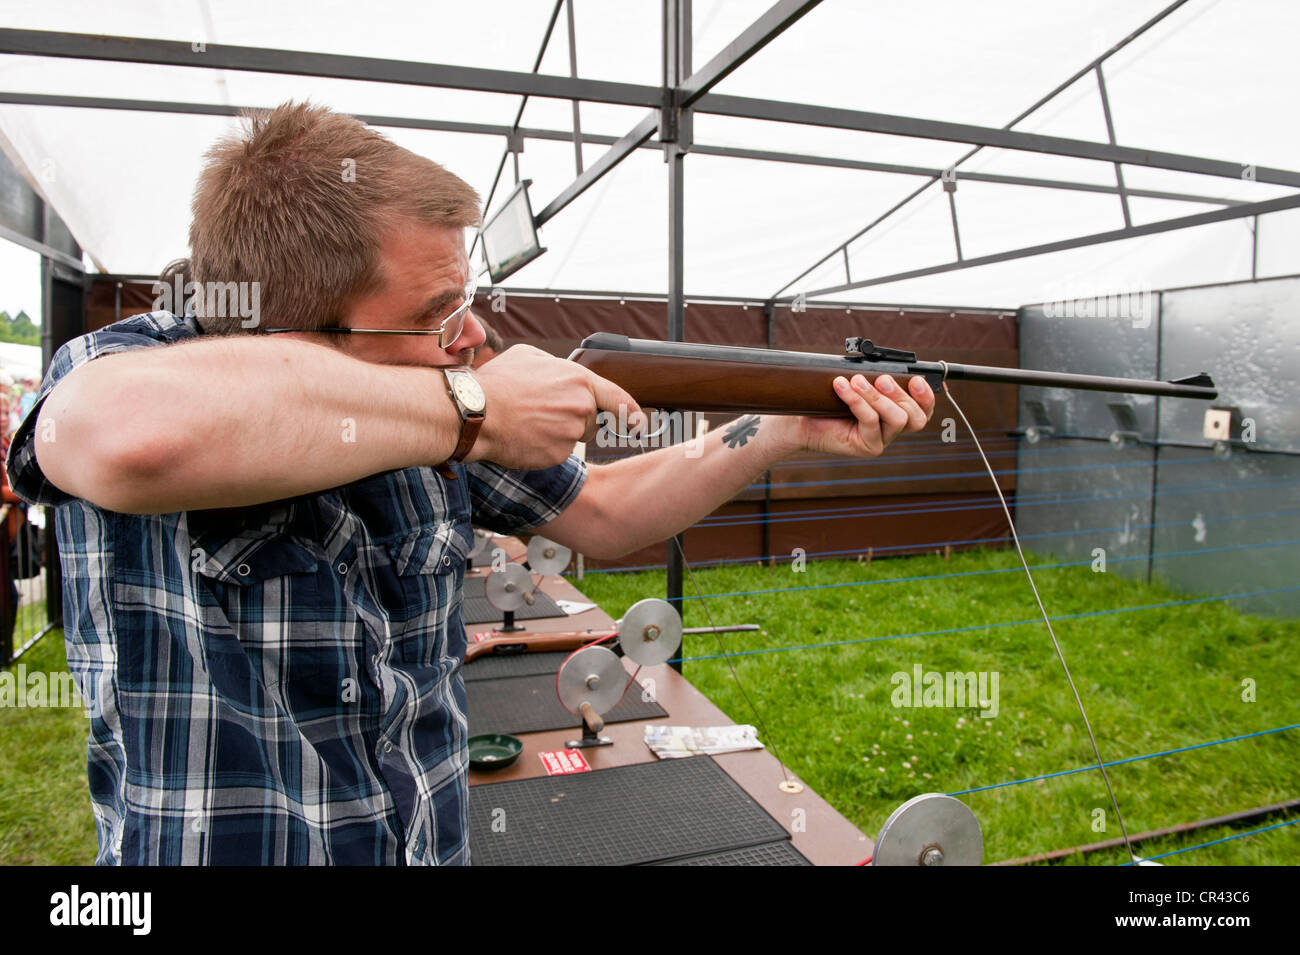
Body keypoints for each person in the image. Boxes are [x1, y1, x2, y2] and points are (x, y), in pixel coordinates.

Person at [5, 102, 934, 865]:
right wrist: (475, 406)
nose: (472, 334)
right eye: (435, 312)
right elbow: (124, 439)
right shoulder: (126, 366)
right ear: (290, 325)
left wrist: (774, 432)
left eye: (466, 300)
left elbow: (606, 513)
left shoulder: (430, 411)